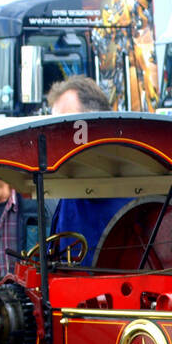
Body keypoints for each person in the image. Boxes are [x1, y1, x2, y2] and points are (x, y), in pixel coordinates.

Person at [47, 76, 128, 260]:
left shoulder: (141, 192)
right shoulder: (67, 198)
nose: (58, 139)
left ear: (95, 126)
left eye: (66, 128)